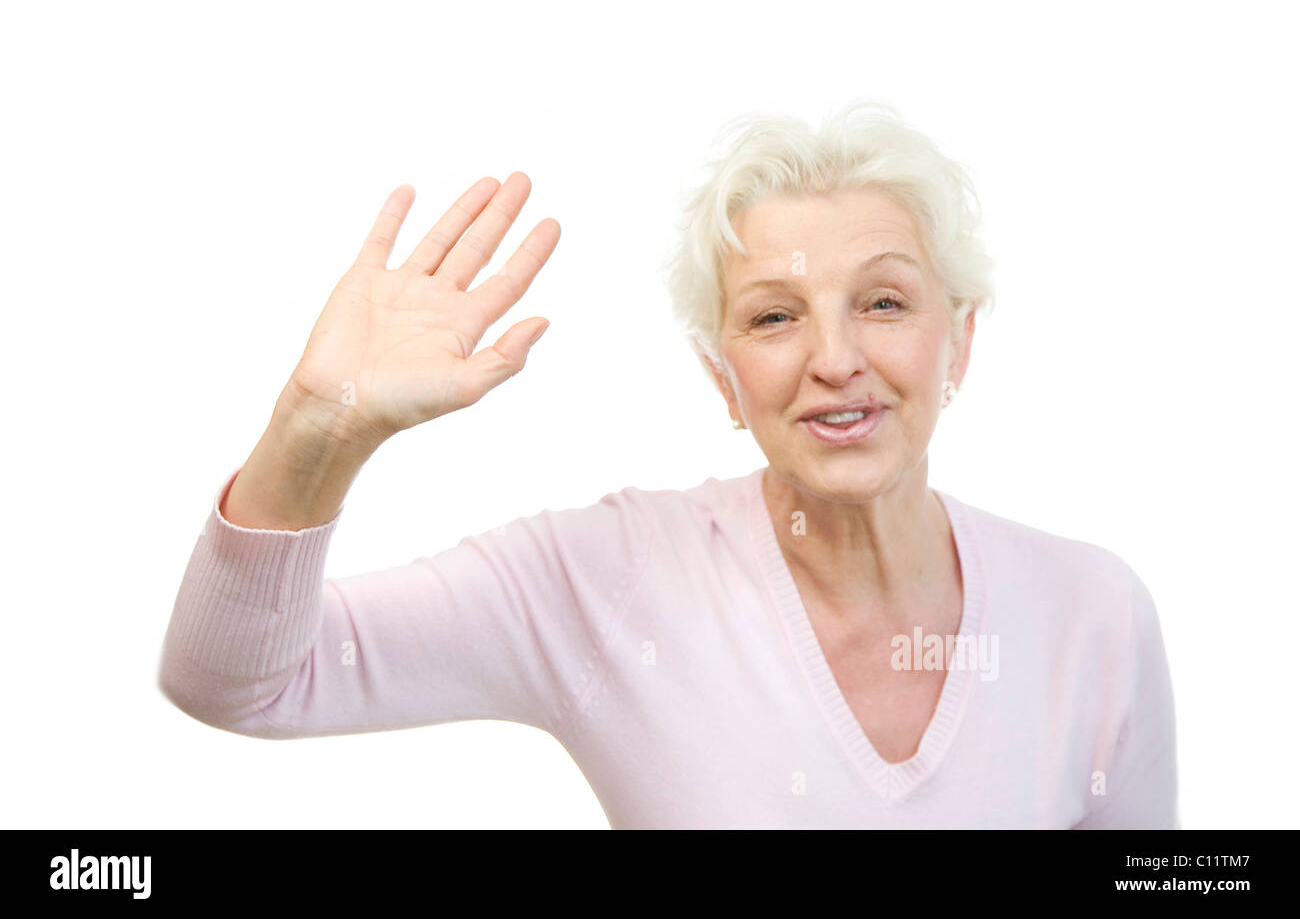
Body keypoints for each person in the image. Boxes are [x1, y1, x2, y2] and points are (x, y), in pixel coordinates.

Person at [158, 101, 1179, 829]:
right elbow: (235, 681)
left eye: (882, 300)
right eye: (774, 317)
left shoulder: (1092, 613)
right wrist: (314, 426)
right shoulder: (607, 580)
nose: (834, 357)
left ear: (957, 343)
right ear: (724, 381)